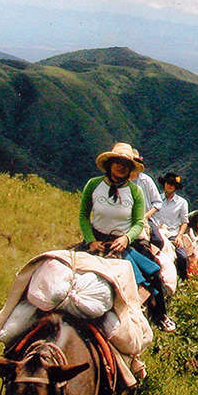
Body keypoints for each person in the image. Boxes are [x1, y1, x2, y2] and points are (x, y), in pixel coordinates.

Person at [79, 142, 175, 332]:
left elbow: (139, 222)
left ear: (131, 168)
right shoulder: (93, 185)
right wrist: (91, 241)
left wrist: (125, 239)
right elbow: (83, 215)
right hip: (96, 241)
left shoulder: (135, 191)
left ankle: (160, 315)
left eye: (126, 163)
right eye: (118, 162)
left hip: (122, 243)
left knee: (154, 273)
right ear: (110, 163)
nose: (121, 166)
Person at [154, 172, 190, 281]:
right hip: (156, 234)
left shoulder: (182, 202)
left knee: (182, 257)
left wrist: (179, 236)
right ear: (164, 184)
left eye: (172, 184)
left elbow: (184, 222)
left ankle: (184, 280)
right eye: (168, 183)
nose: (170, 185)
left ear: (175, 187)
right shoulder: (156, 199)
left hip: (172, 235)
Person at [130, 148, 164, 249]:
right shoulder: (120, 181)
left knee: (158, 240)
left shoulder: (146, 180)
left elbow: (158, 203)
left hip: (145, 219)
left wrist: (145, 216)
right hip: (124, 219)